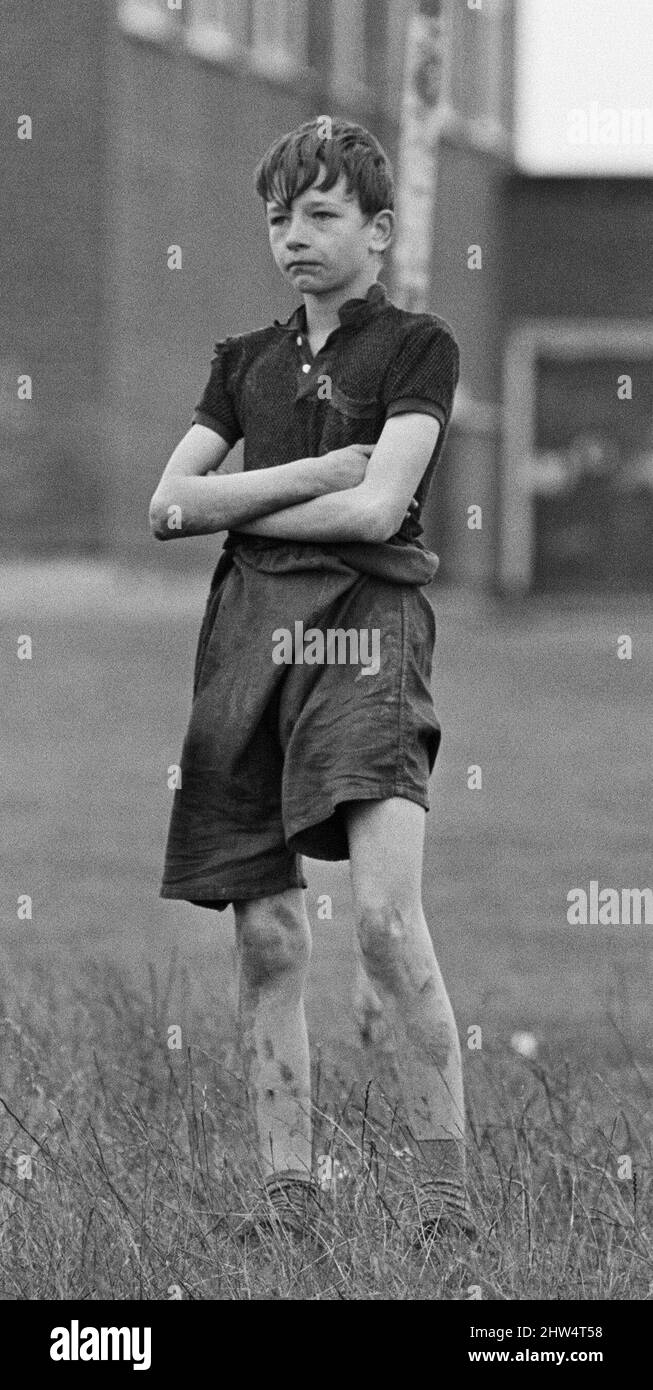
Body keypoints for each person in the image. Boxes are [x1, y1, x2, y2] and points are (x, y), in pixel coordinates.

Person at [149, 117, 475, 1248]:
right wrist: (310, 470)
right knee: (268, 936)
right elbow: (167, 506)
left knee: (386, 920)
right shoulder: (241, 360)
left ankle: (447, 1211)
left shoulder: (417, 345)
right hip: (246, 641)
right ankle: (287, 1205)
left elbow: (377, 509)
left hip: (367, 631)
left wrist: (244, 499)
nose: (293, 234)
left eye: (321, 213)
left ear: (379, 231)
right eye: (278, 216)